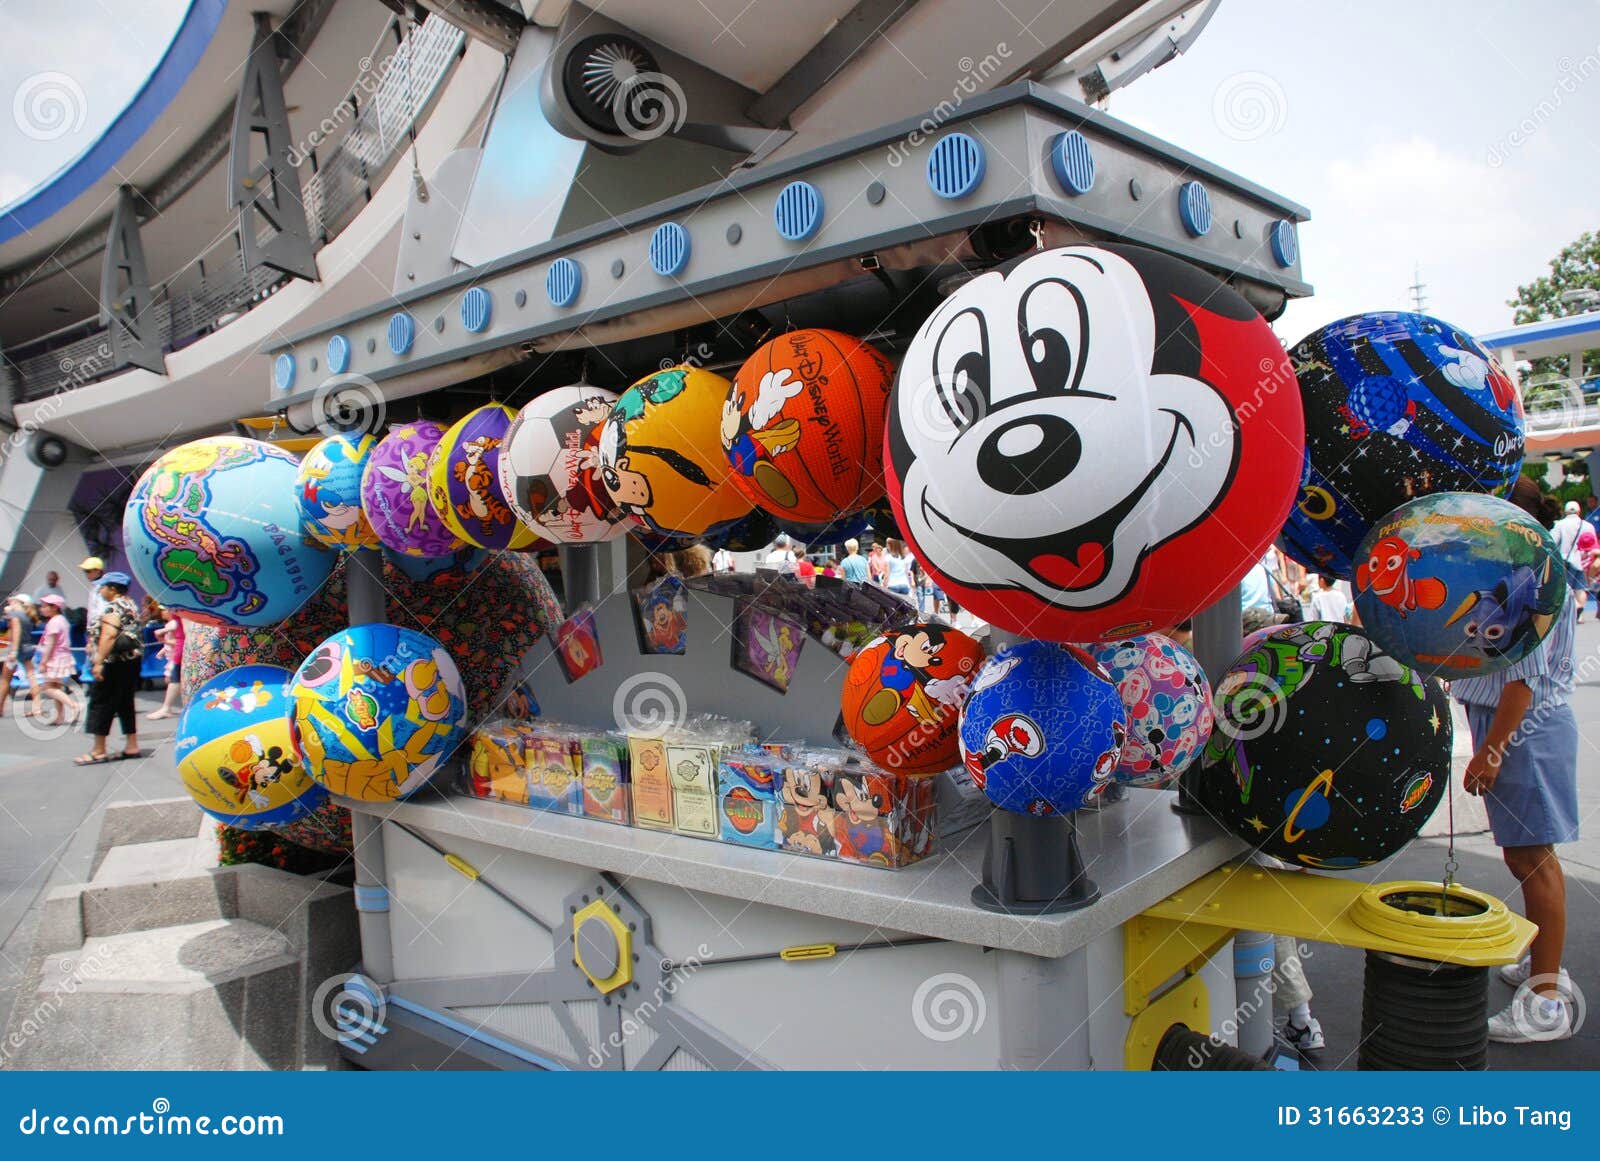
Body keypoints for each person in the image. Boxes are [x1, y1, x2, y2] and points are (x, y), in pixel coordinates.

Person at [1453, 477, 1580, 1043]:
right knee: (1525, 857)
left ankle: (1546, 1001)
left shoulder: (1530, 582)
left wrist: (1490, 753)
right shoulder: (1528, 573)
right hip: (1516, 728)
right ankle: (1544, 962)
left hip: (1523, 730)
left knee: (1533, 860)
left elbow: (1521, 683)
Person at [76, 572, 143, 765]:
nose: (101, 591)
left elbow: (109, 635)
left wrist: (98, 662)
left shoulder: (113, 607)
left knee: (101, 703)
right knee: (125, 703)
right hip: (130, 662)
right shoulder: (130, 604)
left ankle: (99, 750)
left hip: (114, 662)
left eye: (103, 587)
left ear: (112, 588)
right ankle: (132, 745)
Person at [34, 594, 79, 727]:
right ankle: (59, 717)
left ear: (54, 607)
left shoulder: (54, 622)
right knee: (56, 687)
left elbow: (50, 644)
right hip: (62, 656)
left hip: (55, 658)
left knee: (47, 688)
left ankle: (73, 705)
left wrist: (43, 662)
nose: (42, 609)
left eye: (44, 606)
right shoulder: (62, 620)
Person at [0, 593, 42, 718]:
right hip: (27, 648)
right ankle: (37, 707)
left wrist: (13, 651)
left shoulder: (15, 616)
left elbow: (16, 633)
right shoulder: (27, 616)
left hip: (17, 650)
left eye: (13, 602)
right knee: (32, 678)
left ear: (18, 603)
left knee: (5, 680)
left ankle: (0, 707)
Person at [1551, 500, 1588, 623]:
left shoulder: (1559, 525)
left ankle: (1576, 607)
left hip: (1564, 560)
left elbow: (1552, 541)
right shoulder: (1587, 525)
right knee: (1580, 588)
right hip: (1581, 561)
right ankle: (1580, 614)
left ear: (1565, 512)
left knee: (1565, 587)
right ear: (1579, 511)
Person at [146, 611, 185, 720]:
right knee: (175, 680)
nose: (163, 612)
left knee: (175, 680)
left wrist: (163, 634)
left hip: (180, 651)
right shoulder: (176, 618)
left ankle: (167, 708)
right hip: (178, 651)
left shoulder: (176, 618)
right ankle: (171, 707)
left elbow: (179, 636)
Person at [79, 556, 106, 630]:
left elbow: (101, 610)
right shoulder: (94, 586)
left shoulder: (103, 587)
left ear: (98, 571)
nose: (86, 574)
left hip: (100, 627)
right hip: (94, 627)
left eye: (88, 571)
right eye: (85, 571)